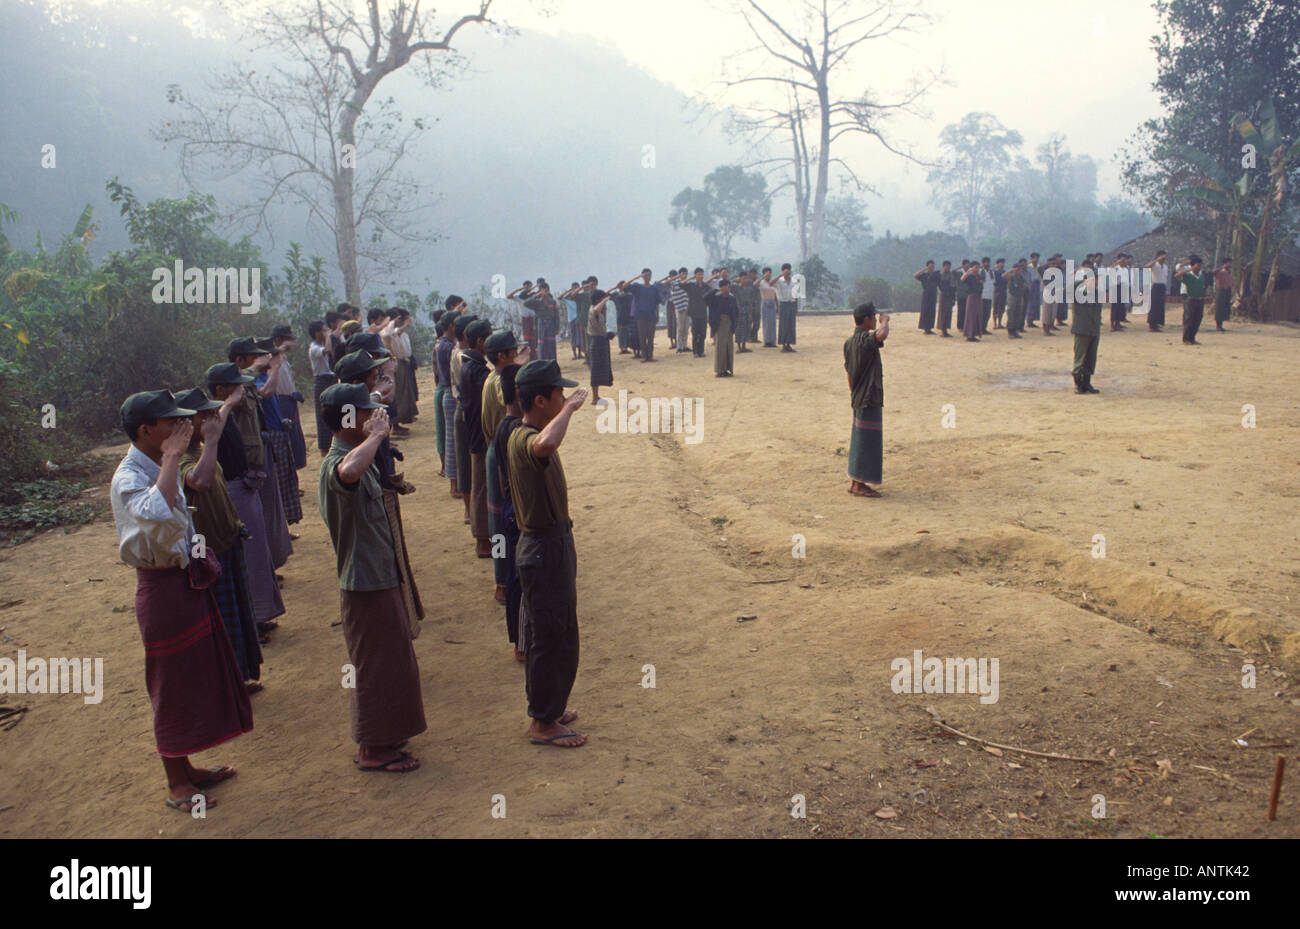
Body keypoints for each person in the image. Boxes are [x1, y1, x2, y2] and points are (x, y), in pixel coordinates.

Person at [111, 390, 254, 812]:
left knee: (193, 675)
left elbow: (182, 521)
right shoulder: (129, 476)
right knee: (171, 685)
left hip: (182, 580)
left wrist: (200, 562)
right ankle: (176, 784)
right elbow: (157, 512)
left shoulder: (153, 462)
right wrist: (174, 456)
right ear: (145, 430)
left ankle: (187, 767)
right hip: (160, 590)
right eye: (170, 424)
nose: (180, 429)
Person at [318, 384, 427, 772]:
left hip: (378, 575)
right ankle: (373, 749)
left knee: (392, 659)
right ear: (347, 420)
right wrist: (379, 435)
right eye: (365, 413)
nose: (372, 417)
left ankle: (387, 736)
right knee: (374, 664)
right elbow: (348, 472)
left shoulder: (353, 456)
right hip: (363, 582)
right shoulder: (336, 463)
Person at [507, 360, 587, 748]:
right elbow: (546, 445)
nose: (564, 398)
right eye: (558, 395)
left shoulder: (530, 431)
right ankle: (542, 721)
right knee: (548, 637)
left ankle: (551, 708)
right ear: (540, 400)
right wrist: (570, 410)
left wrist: (566, 408)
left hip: (553, 544)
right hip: (541, 549)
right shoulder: (526, 439)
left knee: (562, 632)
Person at [175, 387, 264, 692]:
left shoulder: (198, 449)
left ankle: (239, 677)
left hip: (225, 541)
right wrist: (212, 439)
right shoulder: (182, 457)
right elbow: (198, 481)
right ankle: (229, 682)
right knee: (224, 618)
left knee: (238, 614)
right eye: (205, 416)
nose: (212, 419)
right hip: (209, 549)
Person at [205, 363, 285, 638]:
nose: (242, 389)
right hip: (233, 491)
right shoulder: (213, 417)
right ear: (220, 390)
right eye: (235, 386)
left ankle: (260, 616)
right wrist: (228, 405)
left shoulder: (230, 411)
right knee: (249, 557)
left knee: (258, 554)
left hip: (244, 485)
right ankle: (253, 621)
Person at [227, 338, 292, 568]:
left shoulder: (248, 383)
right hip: (248, 458)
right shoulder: (232, 384)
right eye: (253, 357)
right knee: (257, 514)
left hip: (260, 449)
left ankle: (271, 562)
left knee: (270, 508)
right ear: (240, 360)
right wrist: (269, 367)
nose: (260, 359)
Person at [491, 364, 527, 662]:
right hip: (518, 511)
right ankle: (521, 643)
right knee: (521, 579)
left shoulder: (505, 425)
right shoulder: (516, 429)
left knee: (517, 576)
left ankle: (519, 639)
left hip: (510, 507)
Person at [483, 329, 519, 604]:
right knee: (501, 521)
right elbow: (508, 402)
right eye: (514, 353)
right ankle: (502, 583)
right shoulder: (499, 383)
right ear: (501, 356)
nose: (517, 356)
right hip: (502, 451)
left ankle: (505, 579)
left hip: (495, 448)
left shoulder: (490, 378)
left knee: (502, 518)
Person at [844, 304, 890, 498]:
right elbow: (881, 335)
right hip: (868, 395)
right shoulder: (863, 340)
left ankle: (856, 481)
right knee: (866, 441)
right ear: (865, 319)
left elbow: (848, 371)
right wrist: (885, 321)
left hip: (858, 394)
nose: (875, 319)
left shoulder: (849, 342)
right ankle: (858, 484)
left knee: (860, 439)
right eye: (873, 316)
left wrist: (853, 392)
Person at [460, 319, 494, 559]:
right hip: (480, 436)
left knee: (482, 485)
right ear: (480, 341)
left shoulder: (470, 364)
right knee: (481, 486)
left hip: (475, 433)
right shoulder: (477, 370)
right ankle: (483, 540)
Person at [270, 325, 308, 472]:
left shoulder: (282, 358)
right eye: (287, 339)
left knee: (295, 440)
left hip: (289, 401)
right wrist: (282, 347)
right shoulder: (270, 357)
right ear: (278, 339)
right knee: (287, 441)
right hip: (280, 403)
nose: (291, 344)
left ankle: (293, 475)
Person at [437, 303, 462, 494]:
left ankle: (456, 482)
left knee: (454, 438)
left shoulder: (444, 344)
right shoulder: (447, 346)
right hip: (451, 394)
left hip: (449, 393)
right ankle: (454, 484)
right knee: (453, 440)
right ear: (452, 325)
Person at [1071, 259, 1103, 394]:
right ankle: (1078, 384)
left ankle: (1087, 383)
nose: (1095, 282)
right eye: (1092, 279)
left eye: (1096, 279)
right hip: (1082, 329)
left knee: (1091, 358)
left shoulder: (1097, 293)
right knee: (1080, 358)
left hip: (1094, 329)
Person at [308, 321, 338, 455]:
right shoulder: (314, 347)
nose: (327, 332)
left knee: (333, 412)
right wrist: (328, 337)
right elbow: (326, 351)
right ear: (317, 333)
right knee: (322, 414)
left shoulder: (320, 345)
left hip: (330, 379)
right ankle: (324, 447)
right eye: (323, 330)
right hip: (322, 380)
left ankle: (333, 443)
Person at [626, 268, 664, 362]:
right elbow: (624, 286)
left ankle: (650, 356)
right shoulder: (637, 287)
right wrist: (636, 277)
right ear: (642, 276)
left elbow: (657, 303)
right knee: (642, 337)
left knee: (650, 337)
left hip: (651, 315)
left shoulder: (654, 288)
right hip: (640, 316)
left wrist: (657, 315)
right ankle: (644, 356)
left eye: (649, 275)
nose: (648, 277)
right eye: (645, 275)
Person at [586, 279, 614, 405]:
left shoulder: (597, 310)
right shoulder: (593, 309)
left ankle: (596, 396)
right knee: (596, 370)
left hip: (601, 340)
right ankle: (594, 397)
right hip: (596, 342)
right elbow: (596, 310)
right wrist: (604, 300)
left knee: (599, 369)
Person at [1175, 255, 1212, 345]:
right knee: (1189, 319)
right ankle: (1186, 339)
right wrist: (1189, 269)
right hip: (1191, 299)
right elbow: (1177, 276)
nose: (1199, 268)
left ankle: (1192, 338)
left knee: (1197, 320)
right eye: (1197, 266)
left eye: (1200, 266)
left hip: (1200, 299)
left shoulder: (1201, 276)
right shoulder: (1188, 275)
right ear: (1192, 266)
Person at [681, 268, 716, 358]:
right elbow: (681, 284)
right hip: (694, 313)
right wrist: (690, 278)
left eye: (701, 274)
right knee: (695, 333)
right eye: (698, 274)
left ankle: (701, 351)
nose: (700, 276)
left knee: (703, 333)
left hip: (703, 313)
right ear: (695, 275)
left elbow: (712, 296)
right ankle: (695, 352)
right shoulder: (691, 286)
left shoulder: (706, 287)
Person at [708, 277, 738, 377]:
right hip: (720, 324)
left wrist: (734, 325)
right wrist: (716, 290)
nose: (727, 289)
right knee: (720, 347)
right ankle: (719, 370)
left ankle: (727, 369)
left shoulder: (732, 298)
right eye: (725, 287)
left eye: (728, 287)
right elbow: (705, 298)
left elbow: (736, 312)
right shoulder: (716, 298)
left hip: (729, 324)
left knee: (728, 347)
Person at [776, 263, 798, 351]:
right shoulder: (779, 281)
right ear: (783, 271)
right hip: (784, 304)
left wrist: (796, 308)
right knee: (783, 325)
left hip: (791, 304)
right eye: (785, 269)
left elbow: (796, 295)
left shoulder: (794, 281)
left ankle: (789, 344)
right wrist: (780, 275)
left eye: (789, 269)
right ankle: (783, 344)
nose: (788, 271)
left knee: (791, 325)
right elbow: (770, 283)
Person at [914, 261, 939, 334]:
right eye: (930, 266)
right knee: (925, 310)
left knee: (932, 311)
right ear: (927, 267)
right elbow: (915, 275)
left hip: (933, 294)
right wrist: (924, 269)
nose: (932, 268)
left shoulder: (935, 275)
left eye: (933, 267)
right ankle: (925, 328)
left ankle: (929, 328)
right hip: (926, 294)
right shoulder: (924, 275)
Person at [961, 261, 983, 341]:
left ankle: (974, 334)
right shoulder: (969, 276)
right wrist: (968, 271)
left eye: (978, 267)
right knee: (970, 316)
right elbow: (962, 279)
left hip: (978, 297)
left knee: (977, 316)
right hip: (971, 297)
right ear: (972, 267)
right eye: (975, 267)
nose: (977, 269)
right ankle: (969, 335)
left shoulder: (979, 276)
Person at [1005, 259, 1027, 338]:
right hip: (1012, 296)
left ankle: (1015, 331)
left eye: (1020, 269)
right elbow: (1003, 276)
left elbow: (1023, 286)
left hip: (1019, 297)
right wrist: (1011, 271)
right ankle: (1010, 331)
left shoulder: (1021, 277)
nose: (1019, 270)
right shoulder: (1011, 276)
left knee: (1018, 314)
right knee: (1011, 314)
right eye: (1017, 268)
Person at [1147, 251, 1169, 331]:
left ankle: (1157, 323)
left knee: (1160, 306)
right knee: (1154, 306)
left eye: (1165, 258)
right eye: (1162, 257)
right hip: (1155, 286)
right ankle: (1152, 325)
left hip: (1162, 286)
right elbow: (1147, 267)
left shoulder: (1165, 266)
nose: (1164, 259)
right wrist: (1156, 260)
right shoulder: (1155, 265)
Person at [936, 260, 956, 337]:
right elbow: (940, 285)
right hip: (944, 295)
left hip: (950, 295)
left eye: (949, 266)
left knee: (948, 313)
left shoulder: (951, 275)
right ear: (943, 266)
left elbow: (954, 286)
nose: (948, 268)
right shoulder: (940, 274)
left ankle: (946, 330)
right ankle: (942, 330)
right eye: (946, 266)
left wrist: (953, 297)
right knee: (943, 313)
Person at [1214, 258, 1233, 331]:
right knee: (1219, 308)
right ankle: (1218, 325)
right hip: (1221, 290)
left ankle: (1221, 325)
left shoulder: (1229, 272)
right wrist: (1223, 266)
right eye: (1228, 263)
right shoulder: (1221, 271)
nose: (1230, 265)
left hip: (1227, 290)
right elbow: (1214, 272)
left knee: (1225, 308)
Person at [992, 258, 1007, 329]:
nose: (1002, 264)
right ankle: (994, 324)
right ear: (997, 264)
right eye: (1000, 263)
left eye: (1003, 263)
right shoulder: (995, 272)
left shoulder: (1005, 272)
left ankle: (999, 323)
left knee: (1001, 308)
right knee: (996, 308)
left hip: (1003, 291)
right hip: (997, 291)